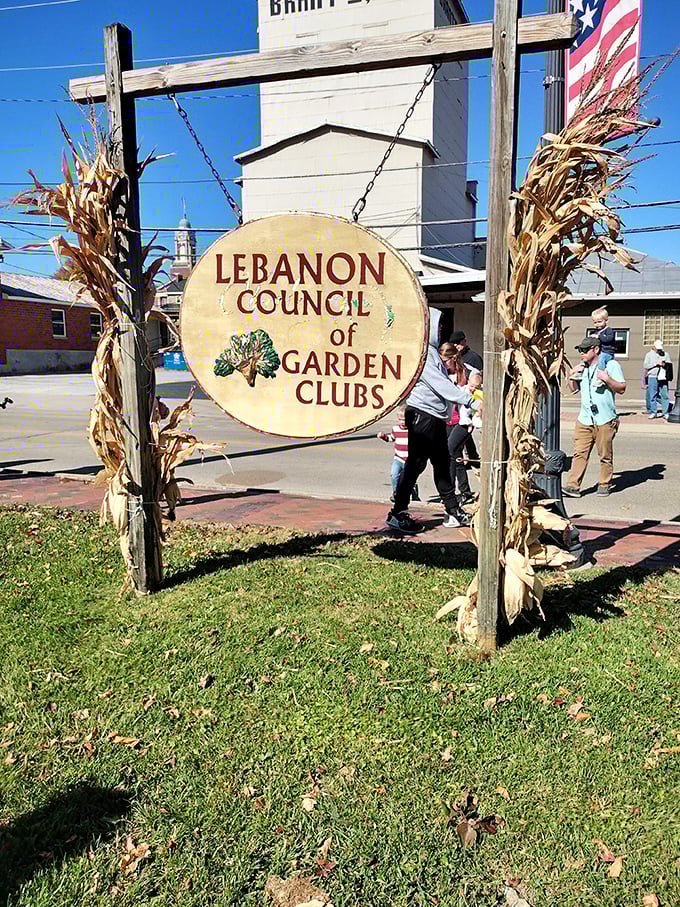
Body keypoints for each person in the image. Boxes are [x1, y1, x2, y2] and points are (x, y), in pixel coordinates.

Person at [386, 310, 474, 534]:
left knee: (440, 463)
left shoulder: (432, 353)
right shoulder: (422, 355)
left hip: (432, 417)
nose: (442, 330)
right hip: (423, 416)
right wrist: (469, 400)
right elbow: (439, 385)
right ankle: (398, 512)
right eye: (438, 326)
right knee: (417, 464)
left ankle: (453, 509)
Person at [563, 335, 626, 498]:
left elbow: (621, 388)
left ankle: (604, 483)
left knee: (605, 455)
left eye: (585, 350)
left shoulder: (610, 365)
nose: (582, 353)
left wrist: (606, 379)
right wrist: (571, 375)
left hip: (604, 419)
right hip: (584, 419)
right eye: (580, 350)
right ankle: (573, 486)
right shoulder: (583, 368)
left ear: (596, 349)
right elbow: (574, 390)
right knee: (579, 453)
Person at [439, 343, 478, 506]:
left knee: (450, 451)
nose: (443, 364)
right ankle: (465, 492)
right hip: (448, 419)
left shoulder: (469, 373)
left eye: (446, 361)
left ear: (454, 357)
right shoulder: (442, 374)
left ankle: (449, 493)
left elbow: (478, 395)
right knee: (456, 455)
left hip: (464, 421)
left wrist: (474, 386)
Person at [449, 330, 482, 469]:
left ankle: (468, 459)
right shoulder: (453, 359)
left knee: (463, 433)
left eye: (459, 343)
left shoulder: (473, 358)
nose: (456, 345)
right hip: (457, 406)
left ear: (465, 341)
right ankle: (472, 456)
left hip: (470, 402)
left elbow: (478, 380)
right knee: (463, 436)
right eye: (454, 343)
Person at [377, 407, 420, 503]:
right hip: (398, 458)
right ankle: (396, 493)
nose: (402, 422)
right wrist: (383, 436)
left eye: (405, 420)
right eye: (400, 419)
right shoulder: (395, 429)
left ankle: (415, 495)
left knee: (410, 480)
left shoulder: (413, 430)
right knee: (394, 475)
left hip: (410, 459)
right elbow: (391, 438)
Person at [644, 339, 673, 420]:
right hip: (652, 376)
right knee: (652, 395)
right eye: (657, 348)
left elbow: (669, 365)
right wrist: (655, 364)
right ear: (654, 347)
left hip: (663, 377)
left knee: (665, 395)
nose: (659, 350)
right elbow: (646, 365)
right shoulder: (649, 355)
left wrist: (664, 364)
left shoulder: (666, 354)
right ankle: (653, 412)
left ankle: (665, 412)